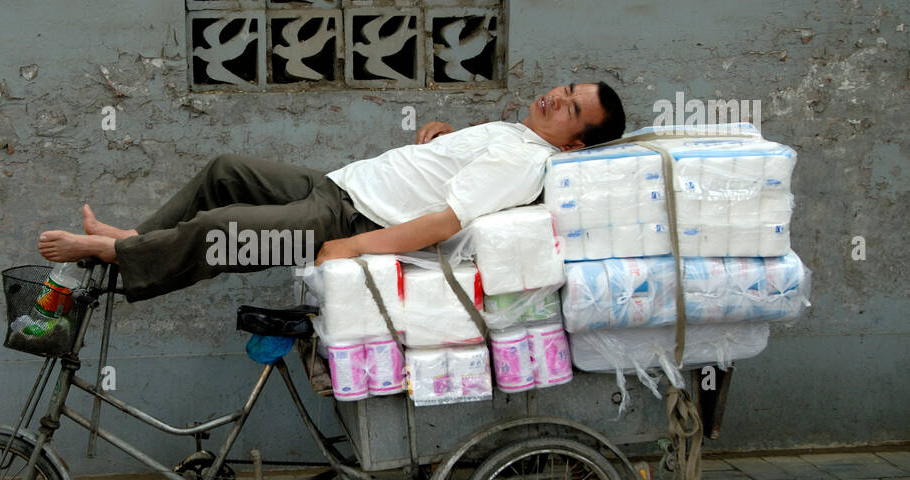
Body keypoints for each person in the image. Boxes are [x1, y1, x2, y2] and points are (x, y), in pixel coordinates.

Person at [38, 82, 625, 301]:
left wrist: (355, 247)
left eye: (572, 107)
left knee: (220, 233)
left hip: (347, 221)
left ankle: (119, 254)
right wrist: (445, 138)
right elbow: (461, 171)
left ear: (574, 144)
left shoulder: (528, 161)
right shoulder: (516, 133)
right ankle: (140, 237)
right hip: (337, 184)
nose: (556, 95)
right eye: (567, 86)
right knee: (224, 170)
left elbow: (445, 223)